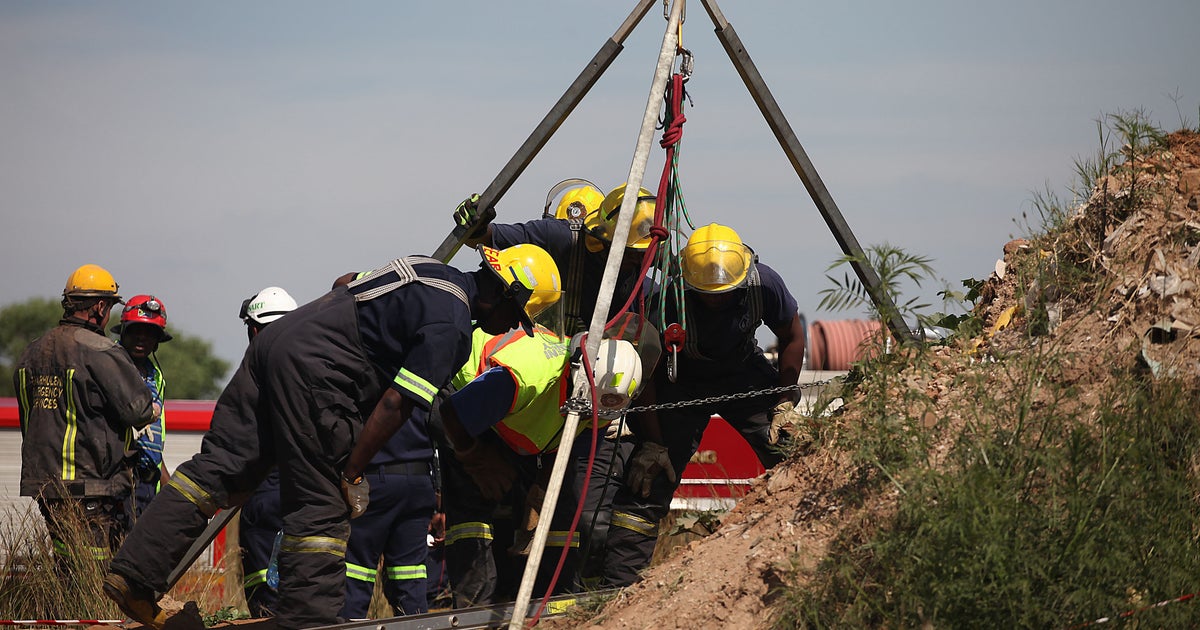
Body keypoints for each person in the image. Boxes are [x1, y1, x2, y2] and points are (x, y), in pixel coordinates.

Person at [103, 244, 561, 630]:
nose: (508, 327)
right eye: (515, 315)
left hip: (275, 345)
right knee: (322, 505)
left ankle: (134, 575)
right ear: (503, 295)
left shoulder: (428, 269)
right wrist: (353, 471)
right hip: (317, 374)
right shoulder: (453, 328)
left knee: (219, 469)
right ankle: (307, 622)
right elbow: (396, 404)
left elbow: (346, 282)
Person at [455, 181, 659, 582]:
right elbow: (490, 241)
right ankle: (503, 592)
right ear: (602, 238)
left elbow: (645, 352)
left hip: (585, 399)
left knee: (573, 510)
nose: (640, 265)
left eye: (645, 257)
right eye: (635, 256)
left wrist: (653, 437)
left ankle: (560, 592)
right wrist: (477, 226)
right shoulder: (559, 239)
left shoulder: (641, 286)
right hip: (529, 383)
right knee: (505, 505)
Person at [602, 223, 808, 587]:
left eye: (725, 293)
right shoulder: (665, 298)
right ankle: (617, 586)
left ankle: (810, 550)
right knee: (647, 480)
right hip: (679, 382)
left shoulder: (764, 283)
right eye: (707, 294)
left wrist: (784, 399)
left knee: (792, 453)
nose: (716, 298)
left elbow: (792, 333)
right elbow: (645, 373)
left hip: (743, 374)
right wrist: (654, 442)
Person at [437, 324, 647, 607]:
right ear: (579, 381)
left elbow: (565, 438)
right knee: (474, 507)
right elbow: (450, 414)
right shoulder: (529, 377)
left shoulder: (602, 397)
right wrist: (476, 457)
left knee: (523, 500)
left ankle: (520, 598)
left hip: (510, 420)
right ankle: (474, 610)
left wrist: (539, 491)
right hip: (463, 394)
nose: (595, 415)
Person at [13, 264, 155, 569]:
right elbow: (139, 410)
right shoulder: (99, 350)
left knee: (67, 566)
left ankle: (69, 615)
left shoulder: (31, 353)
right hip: (90, 485)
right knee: (99, 570)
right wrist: (153, 409)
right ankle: (92, 617)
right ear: (100, 306)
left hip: (45, 485)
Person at [233, 286, 297, 617]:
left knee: (265, 593)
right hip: (308, 494)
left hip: (265, 491)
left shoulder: (253, 376)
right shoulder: (313, 371)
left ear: (254, 330)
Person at [111, 295, 173, 520]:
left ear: (158, 340)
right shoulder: (110, 366)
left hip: (149, 486)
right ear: (124, 331)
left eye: (150, 333)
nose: (141, 338)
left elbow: (151, 444)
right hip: (120, 481)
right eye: (136, 329)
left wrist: (169, 489)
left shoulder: (155, 376)